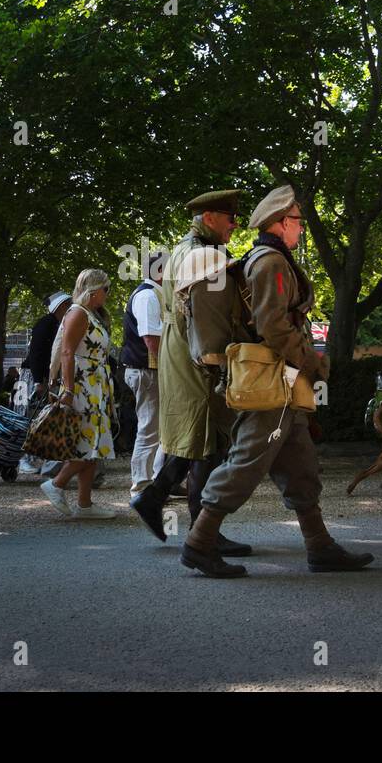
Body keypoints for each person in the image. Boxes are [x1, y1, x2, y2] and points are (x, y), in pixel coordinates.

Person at [180, 185, 373, 577]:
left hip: (279, 382)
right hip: (270, 381)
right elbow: (272, 326)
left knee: (300, 462)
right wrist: (311, 362)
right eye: (298, 221)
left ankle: (320, 547)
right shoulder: (271, 262)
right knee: (247, 462)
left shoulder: (271, 258)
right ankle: (199, 544)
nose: (301, 228)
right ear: (282, 222)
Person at [151, 190, 247, 531]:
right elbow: (208, 319)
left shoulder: (183, 249)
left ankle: (153, 499)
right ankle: (202, 532)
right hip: (197, 357)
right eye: (230, 218)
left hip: (180, 352)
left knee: (199, 438)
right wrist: (217, 360)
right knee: (209, 442)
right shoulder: (204, 255)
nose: (236, 225)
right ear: (209, 218)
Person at [38, 269, 119, 519]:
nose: (108, 294)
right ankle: (57, 484)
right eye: (106, 289)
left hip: (93, 384)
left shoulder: (88, 314)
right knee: (89, 444)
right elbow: (67, 352)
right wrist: (70, 389)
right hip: (83, 384)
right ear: (94, 291)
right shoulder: (78, 313)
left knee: (92, 442)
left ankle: (84, 504)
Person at [120, 250, 166, 495]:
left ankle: (157, 480)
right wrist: (169, 369)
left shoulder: (150, 294)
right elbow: (151, 339)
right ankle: (141, 486)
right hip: (147, 370)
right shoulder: (148, 296)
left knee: (158, 426)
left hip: (146, 369)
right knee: (149, 427)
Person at [15, 291, 70, 475]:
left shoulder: (53, 323)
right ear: (61, 307)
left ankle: (35, 458)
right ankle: (23, 458)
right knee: (29, 418)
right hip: (33, 377)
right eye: (68, 305)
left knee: (37, 418)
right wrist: (39, 380)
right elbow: (37, 353)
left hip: (38, 376)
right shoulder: (46, 324)